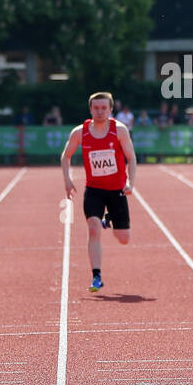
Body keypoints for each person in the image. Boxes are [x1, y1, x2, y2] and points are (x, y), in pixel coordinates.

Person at [61, 91, 137, 293]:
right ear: (90, 109)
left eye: (104, 108)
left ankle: (109, 218)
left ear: (111, 110)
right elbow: (65, 156)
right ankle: (96, 276)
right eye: (96, 108)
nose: (100, 111)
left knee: (124, 238)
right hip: (93, 190)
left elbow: (131, 158)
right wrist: (67, 180)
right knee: (93, 228)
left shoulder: (119, 131)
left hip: (117, 190)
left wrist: (131, 182)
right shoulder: (80, 132)